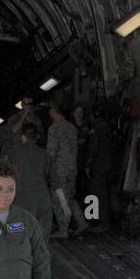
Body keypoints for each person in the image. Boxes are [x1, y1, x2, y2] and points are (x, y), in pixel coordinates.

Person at [7, 121, 56, 240]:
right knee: (42, 237)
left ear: (23, 136)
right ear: (37, 137)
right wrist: (64, 205)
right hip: (43, 199)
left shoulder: (14, 152)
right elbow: (55, 180)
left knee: (19, 235)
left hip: (22, 199)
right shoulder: (45, 155)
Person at [46, 102, 86, 238]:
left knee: (59, 199)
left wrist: (46, 168)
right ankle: (81, 222)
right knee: (69, 197)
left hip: (59, 170)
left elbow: (51, 152)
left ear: (54, 111)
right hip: (72, 169)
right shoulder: (72, 127)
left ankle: (63, 230)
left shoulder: (54, 128)